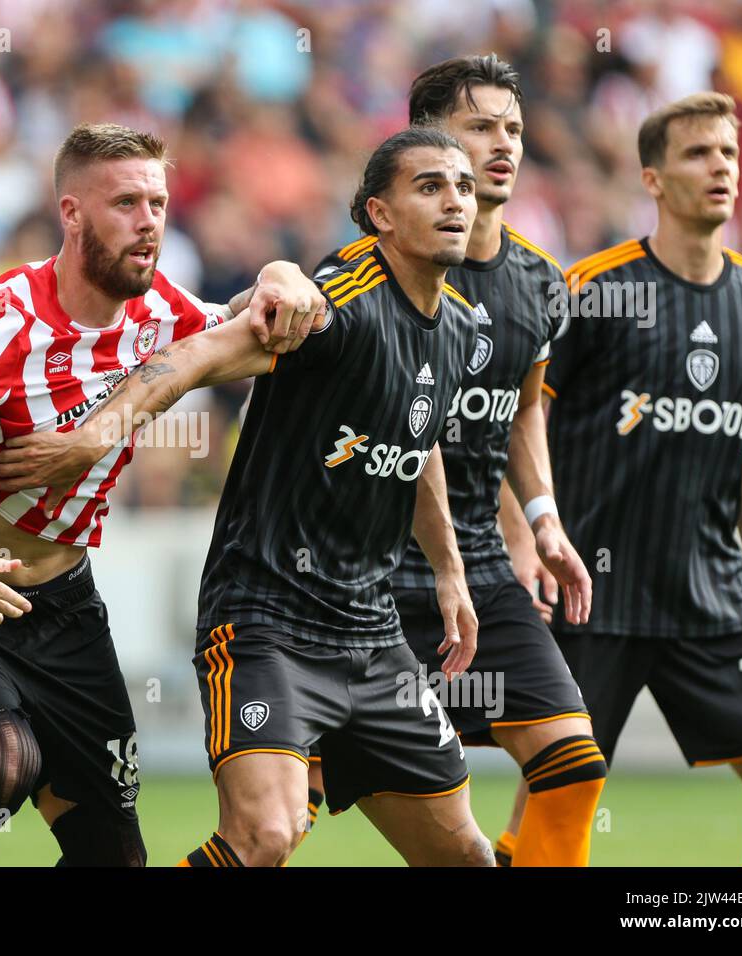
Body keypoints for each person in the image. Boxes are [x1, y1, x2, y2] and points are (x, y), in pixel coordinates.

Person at [0, 123, 326, 866]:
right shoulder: (2, 319)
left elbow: (256, 327)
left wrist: (280, 269)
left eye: (158, 202)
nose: (148, 221)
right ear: (72, 213)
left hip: (66, 613)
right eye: (125, 203)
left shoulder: (161, 316)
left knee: (113, 856)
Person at [0, 127, 494, 867]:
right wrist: (91, 440)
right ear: (379, 214)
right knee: (266, 837)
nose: (456, 200)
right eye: (430, 186)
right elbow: (198, 352)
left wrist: (450, 572)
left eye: (464, 187)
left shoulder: (457, 328)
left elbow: (416, 447)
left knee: (467, 860)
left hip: (373, 632)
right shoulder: (342, 299)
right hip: (267, 621)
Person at [308, 54, 603, 867]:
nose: (504, 144)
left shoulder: (542, 282)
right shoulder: (363, 274)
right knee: (280, 824)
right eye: (480, 128)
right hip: (355, 575)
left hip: (476, 567)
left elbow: (521, 408)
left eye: (513, 128)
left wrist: (542, 522)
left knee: (573, 765)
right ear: (425, 140)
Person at [516, 92, 742, 866]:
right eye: (695, 153)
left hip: (712, 597)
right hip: (593, 595)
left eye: (725, 152)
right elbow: (524, 414)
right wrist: (530, 534)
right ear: (651, 178)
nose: (719, 167)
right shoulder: (592, 288)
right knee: (558, 807)